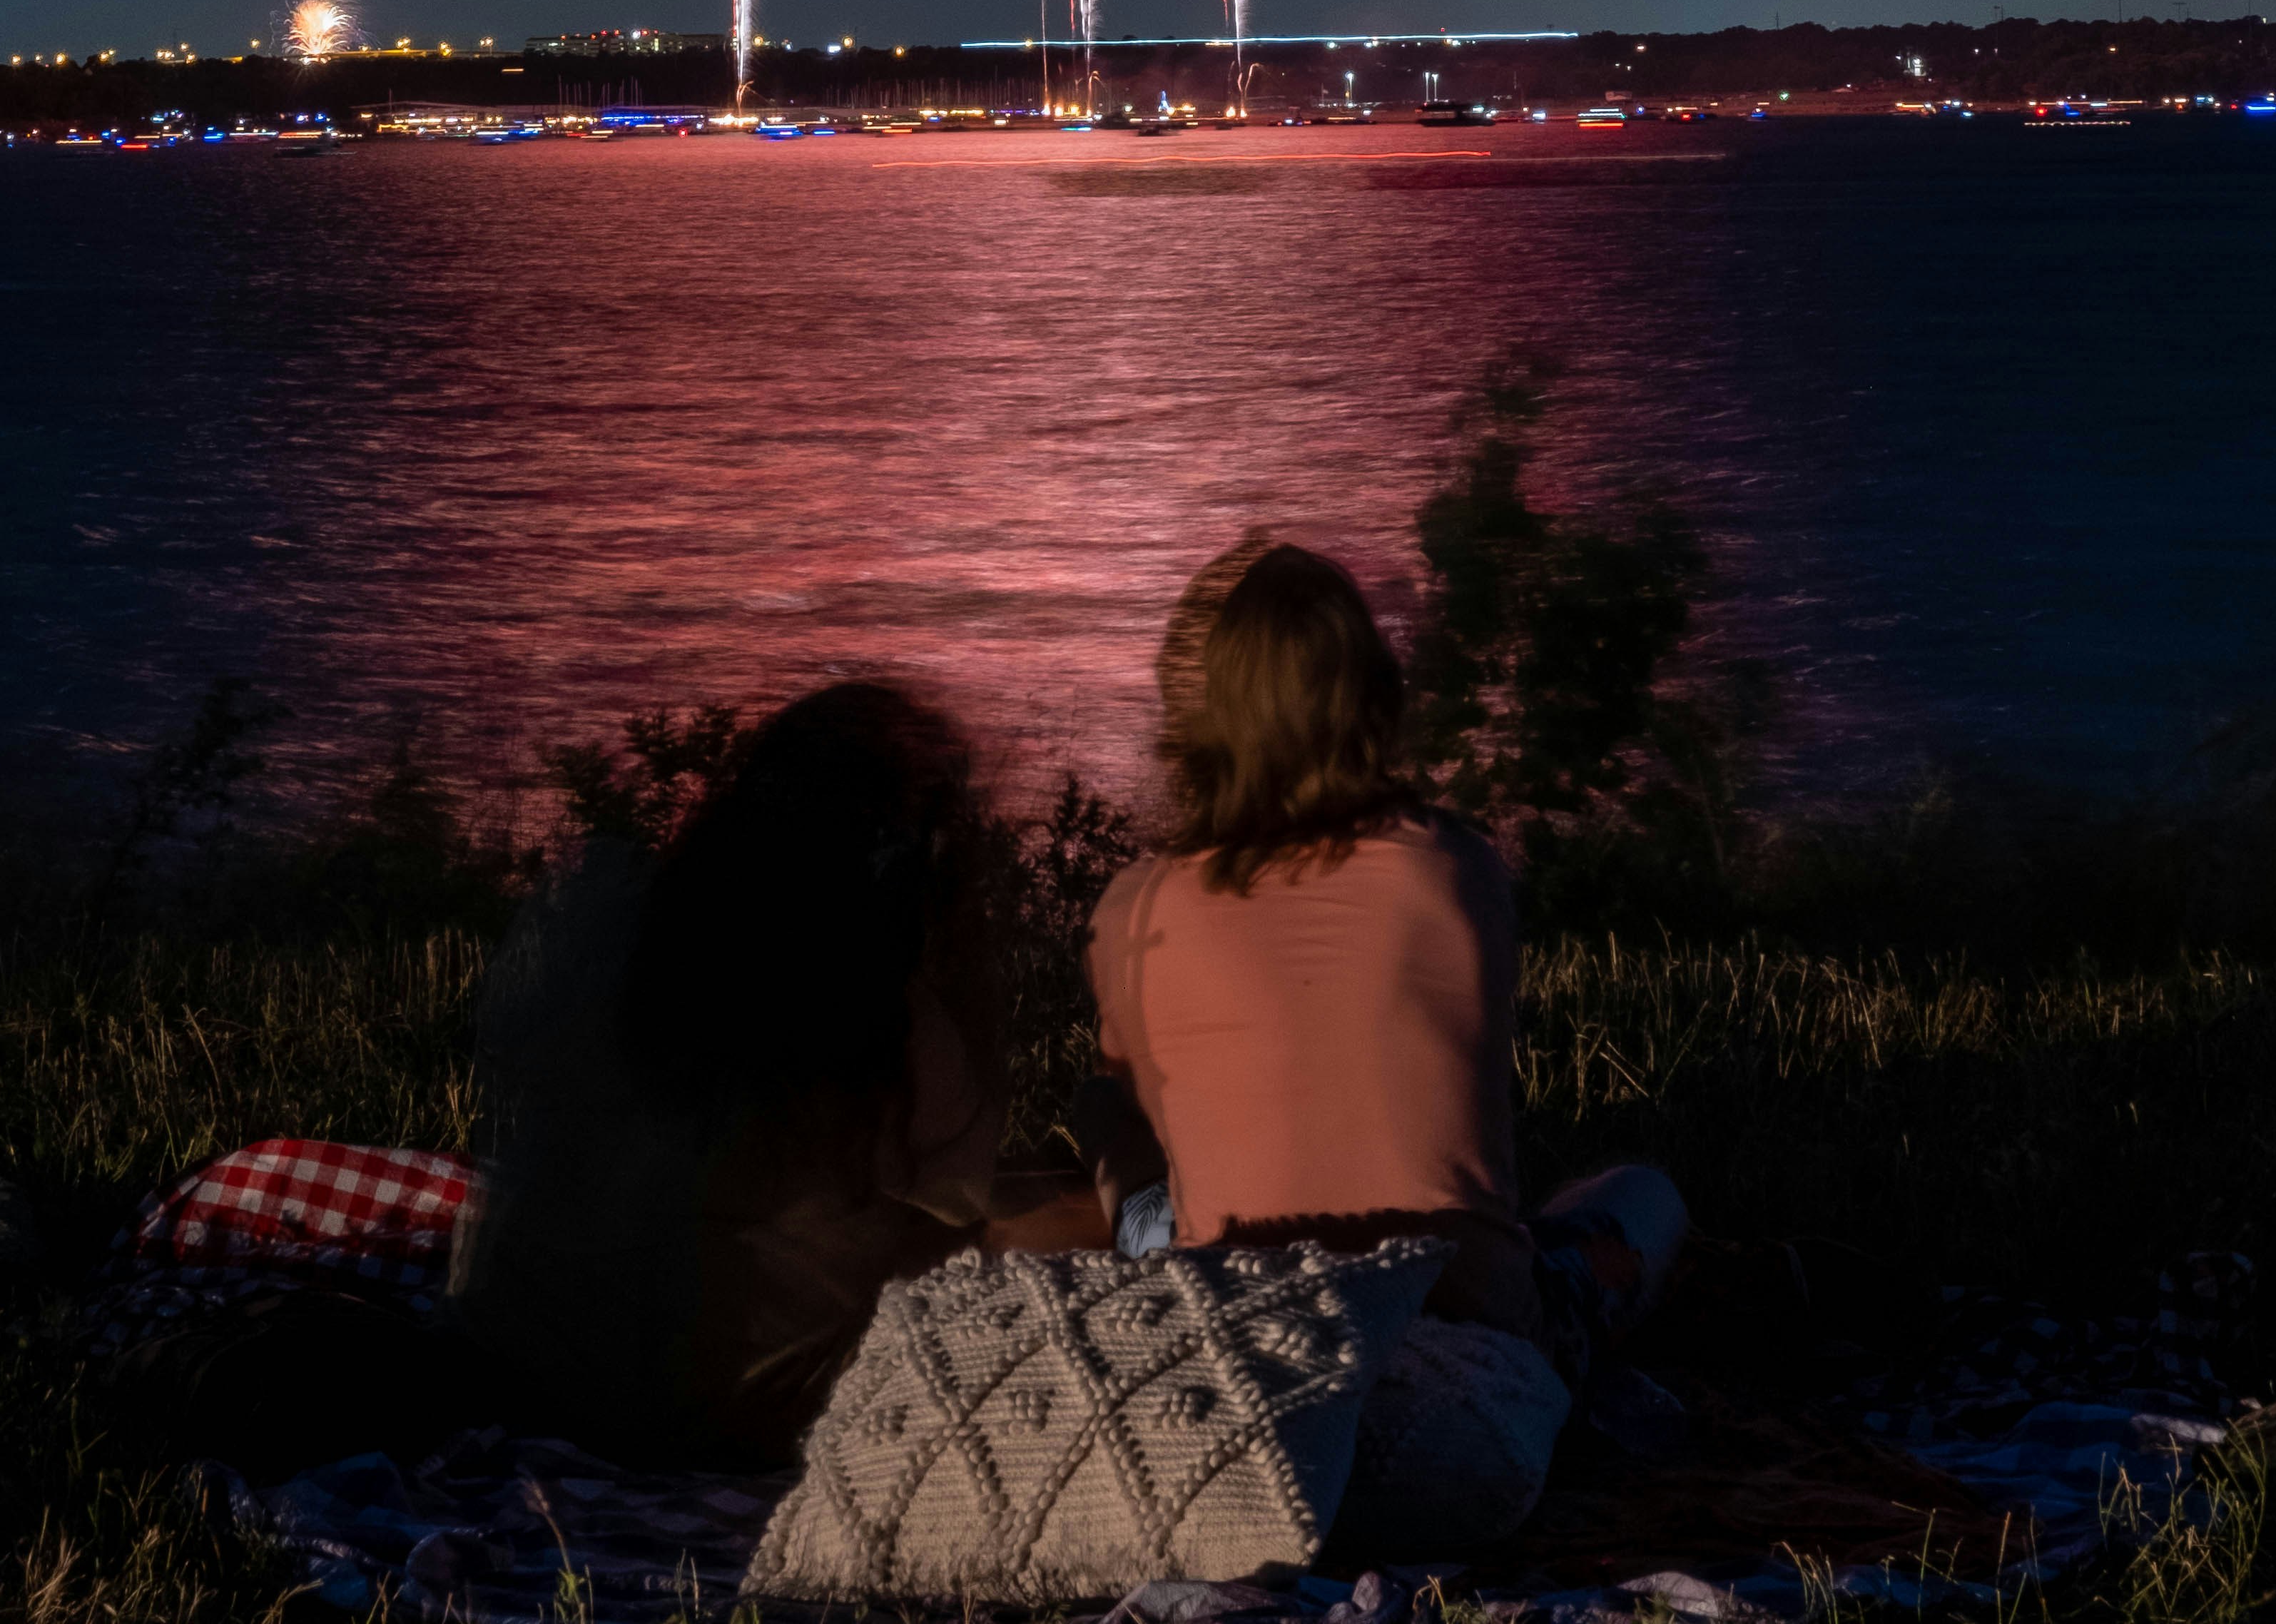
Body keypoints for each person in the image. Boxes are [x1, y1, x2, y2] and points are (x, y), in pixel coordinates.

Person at [1079, 535, 1684, 1369]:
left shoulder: (1133, 905)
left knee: (1110, 1119)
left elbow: (1147, 1095)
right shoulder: (1454, 867)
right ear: (1372, 695)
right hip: (1468, 1316)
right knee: (1642, 1196)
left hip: (1247, 1319)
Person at [449, 679, 1003, 1463]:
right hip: (728, 1417)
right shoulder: (880, 1018)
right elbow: (964, 1206)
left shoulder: (606, 932)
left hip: (526, 1377)